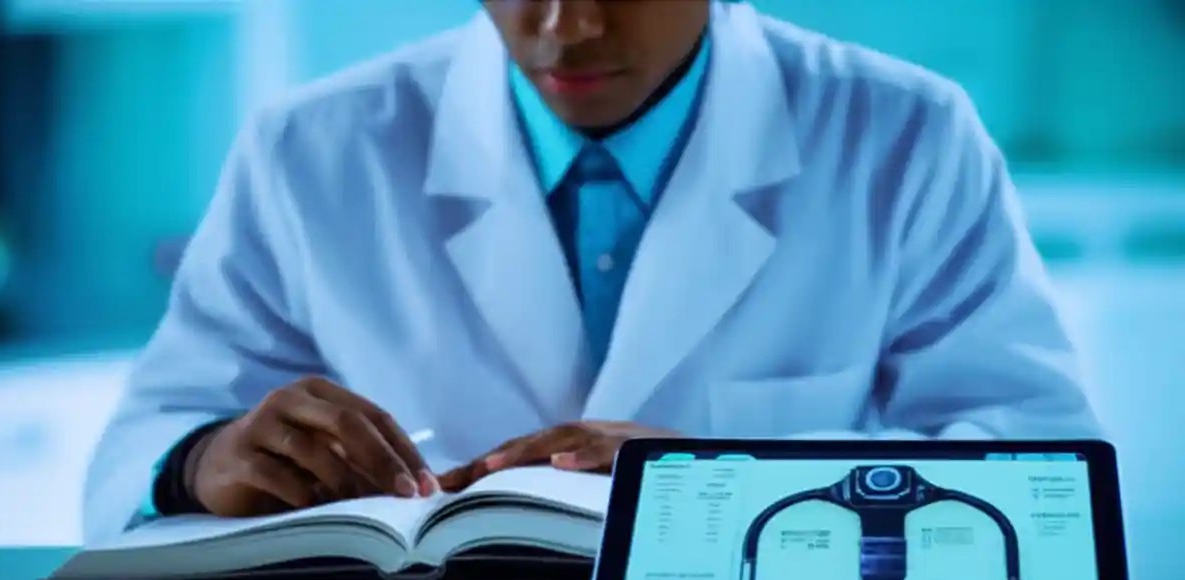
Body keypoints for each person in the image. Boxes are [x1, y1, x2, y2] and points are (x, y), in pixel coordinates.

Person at [83, 0, 1101, 542]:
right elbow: (137, 453)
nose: (566, 23)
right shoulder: (311, 148)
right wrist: (202, 462)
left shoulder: (905, 137)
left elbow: (1049, 479)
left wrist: (728, 481)